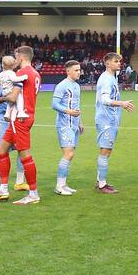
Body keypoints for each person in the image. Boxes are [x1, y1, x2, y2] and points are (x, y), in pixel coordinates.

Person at [0, 45, 40, 204]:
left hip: (21, 118)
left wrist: (2, 95)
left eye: (16, 57)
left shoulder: (22, 73)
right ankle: (3, 190)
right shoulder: (35, 73)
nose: (14, 60)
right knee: (2, 150)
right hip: (21, 117)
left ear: (21, 57)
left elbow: (13, 98)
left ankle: (33, 194)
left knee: (25, 155)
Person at [93, 52, 134, 194]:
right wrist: (122, 103)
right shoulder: (106, 79)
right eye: (116, 61)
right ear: (108, 63)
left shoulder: (111, 78)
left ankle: (100, 180)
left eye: (119, 61)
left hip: (109, 120)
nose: (119, 63)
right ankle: (102, 185)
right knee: (105, 151)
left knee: (106, 150)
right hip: (106, 120)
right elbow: (104, 100)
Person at [52, 60, 83, 196]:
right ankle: (59, 186)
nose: (79, 72)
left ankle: (63, 184)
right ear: (68, 71)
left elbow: (77, 105)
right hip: (64, 125)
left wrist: (80, 121)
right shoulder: (62, 86)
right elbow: (54, 104)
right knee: (68, 154)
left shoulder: (76, 86)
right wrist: (68, 112)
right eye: (76, 70)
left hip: (74, 125)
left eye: (79, 70)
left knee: (70, 155)